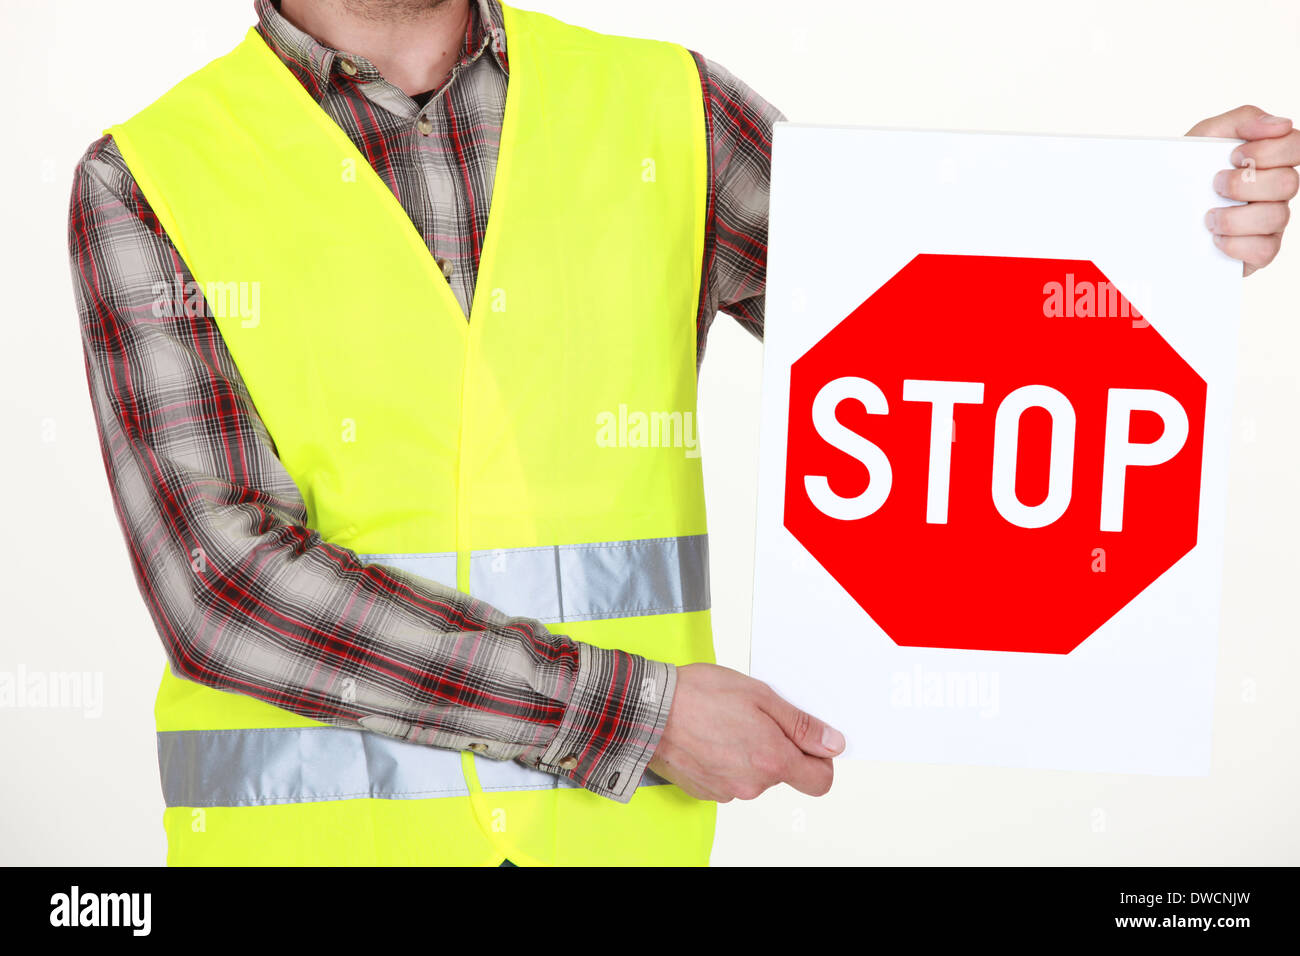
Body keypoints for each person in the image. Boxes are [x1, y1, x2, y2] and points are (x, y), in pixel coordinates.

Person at [67, 0, 1298, 866]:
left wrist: (1160, 229)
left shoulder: (662, 109)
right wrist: (637, 714)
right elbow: (219, 585)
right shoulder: (151, 176)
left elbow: (940, 327)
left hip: (623, 856)